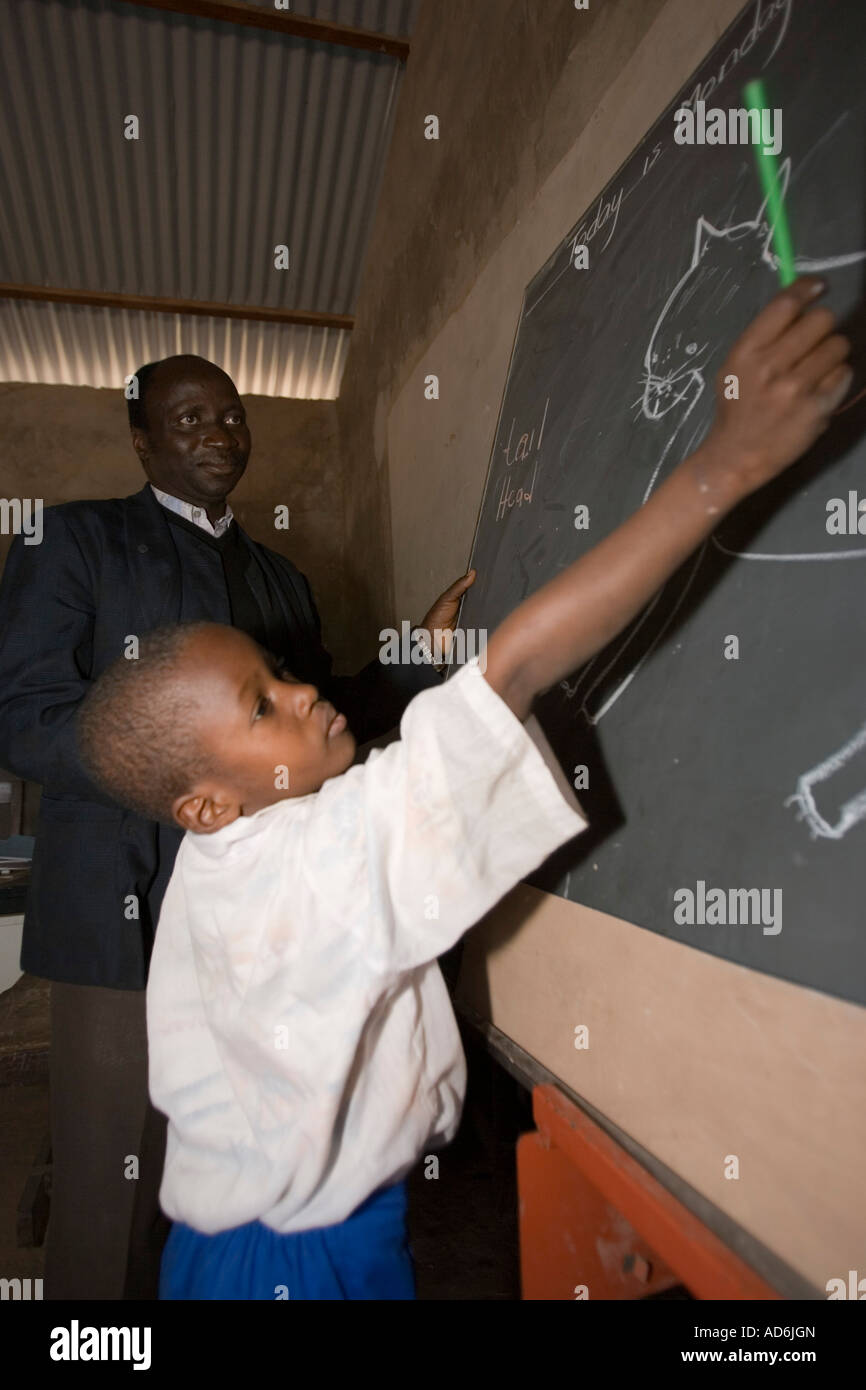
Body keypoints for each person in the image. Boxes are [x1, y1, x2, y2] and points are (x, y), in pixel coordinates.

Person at [75, 280, 852, 1299]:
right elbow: (517, 667)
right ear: (208, 801)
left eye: (279, 671)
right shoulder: (323, 857)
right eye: (264, 704)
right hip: (304, 1262)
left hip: (222, 1246)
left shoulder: (220, 865)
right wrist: (723, 466)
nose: (304, 691)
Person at [0, 352, 473, 1299]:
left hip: (274, 928)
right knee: (113, 1192)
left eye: (230, 416)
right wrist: (181, 773)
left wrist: (417, 655)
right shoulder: (75, 540)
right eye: (187, 420)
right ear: (141, 440)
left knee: (243, 1186)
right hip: (123, 919)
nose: (217, 434)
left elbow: (325, 708)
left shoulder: (280, 578)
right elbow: (23, 714)